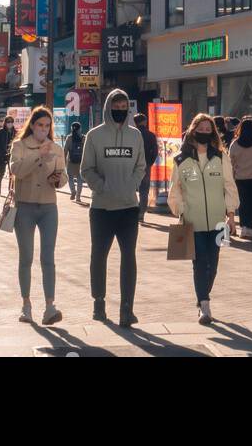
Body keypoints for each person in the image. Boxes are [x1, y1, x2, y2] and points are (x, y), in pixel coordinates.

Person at [80, 89, 147, 327]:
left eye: (123, 107)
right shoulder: (94, 136)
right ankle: (99, 302)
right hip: (102, 209)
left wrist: (131, 184)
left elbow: (141, 166)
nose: (119, 111)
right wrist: (102, 186)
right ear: (108, 108)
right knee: (99, 256)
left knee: (129, 257)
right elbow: (86, 168)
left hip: (129, 207)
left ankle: (127, 308)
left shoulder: (135, 136)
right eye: (115, 107)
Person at [168, 114, 238, 325]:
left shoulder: (220, 157)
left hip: (219, 222)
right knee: (200, 263)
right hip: (192, 221)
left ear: (213, 133)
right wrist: (181, 210)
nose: (205, 132)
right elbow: (175, 190)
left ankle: (202, 298)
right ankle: (204, 304)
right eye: (202, 128)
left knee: (213, 264)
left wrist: (232, 216)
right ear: (193, 130)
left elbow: (229, 186)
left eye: (209, 129)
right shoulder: (181, 159)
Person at [9, 106, 66, 325]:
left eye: (47, 125)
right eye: (39, 124)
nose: (43, 129)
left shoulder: (57, 148)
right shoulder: (20, 145)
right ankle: (26, 306)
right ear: (32, 125)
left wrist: (58, 179)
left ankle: (50, 307)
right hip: (25, 206)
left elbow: (63, 178)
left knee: (48, 257)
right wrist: (38, 157)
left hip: (49, 206)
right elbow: (17, 171)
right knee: (26, 257)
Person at [133, 112, 159, 223]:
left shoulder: (131, 134)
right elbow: (155, 152)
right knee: (144, 191)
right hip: (145, 166)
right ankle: (141, 214)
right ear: (144, 122)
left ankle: (130, 212)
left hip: (131, 165)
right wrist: (150, 163)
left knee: (130, 189)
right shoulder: (151, 135)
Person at [64, 122, 85, 203]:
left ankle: (73, 191)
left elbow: (65, 150)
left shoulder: (69, 138)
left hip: (71, 162)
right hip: (81, 162)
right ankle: (78, 197)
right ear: (80, 129)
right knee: (80, 179)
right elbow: (87, 151)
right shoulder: (84, 138)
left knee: (70, 178)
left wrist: (63, 161)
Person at [0, 117, 14, 196]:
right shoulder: (1, 132)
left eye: (11, 122)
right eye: (8, 122)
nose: (10, 123)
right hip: (1, 155)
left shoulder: (15, 132)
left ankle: (11, 189)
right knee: (1, 172)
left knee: (12, 173)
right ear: (5, 123)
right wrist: (0, 151)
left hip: (12, 155)